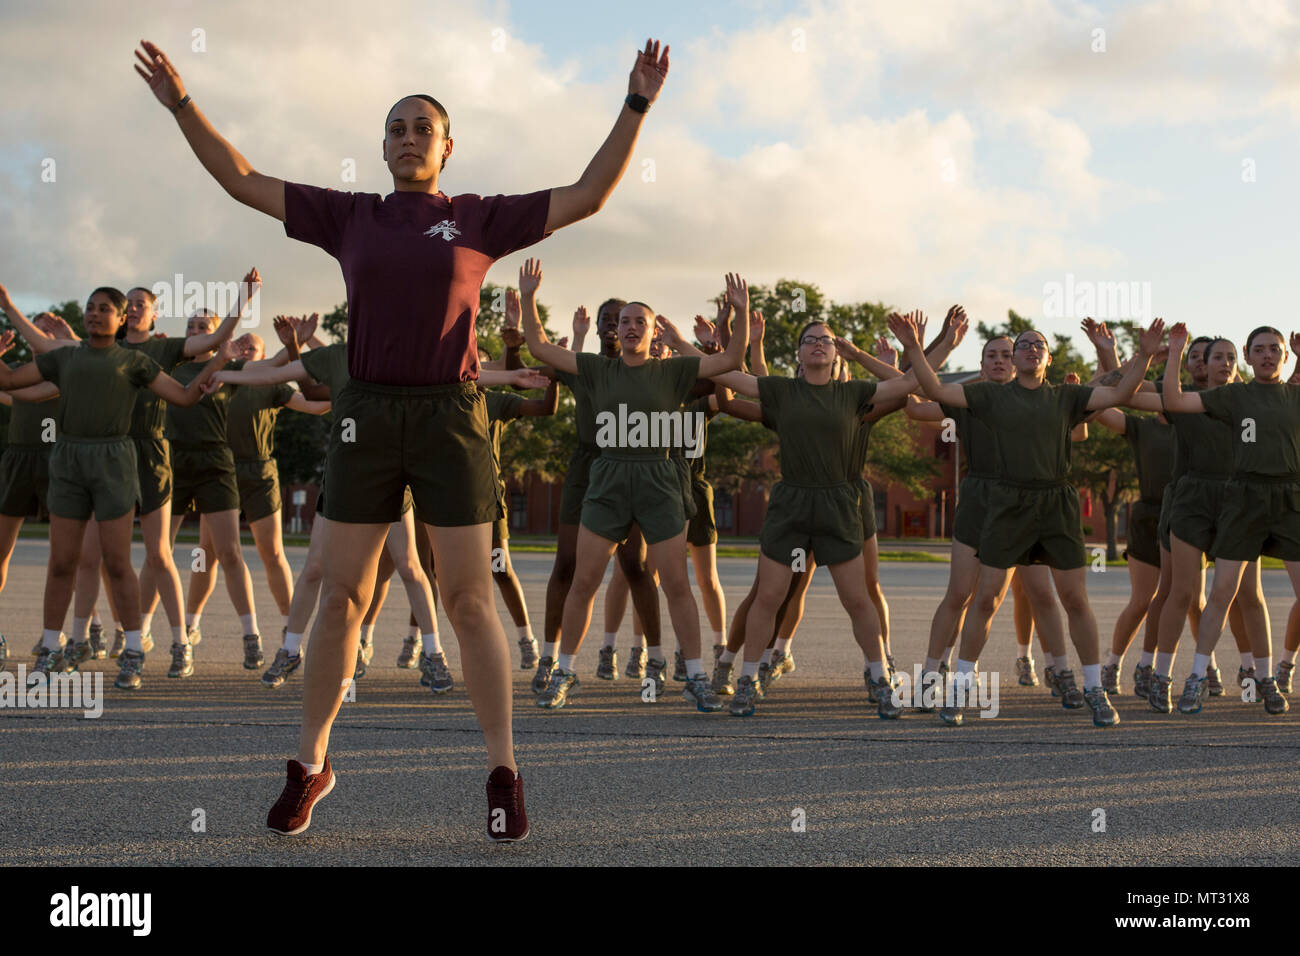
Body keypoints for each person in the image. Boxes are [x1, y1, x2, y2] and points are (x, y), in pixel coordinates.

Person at [135, 34, 670, 839]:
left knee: (465, 598)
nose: (408, 137)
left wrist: (635, 104)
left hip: (452, 417)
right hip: (367, 414)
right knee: (342, 595)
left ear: (447, 146)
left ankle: (503, 770)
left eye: (422, 127)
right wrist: (182, 102)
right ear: (381, 148)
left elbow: (589, 194)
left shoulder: (479, 219)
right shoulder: (349, 215)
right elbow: (240, 179)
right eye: (395, 128)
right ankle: (312, 764)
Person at [901, 315, 1165, 727]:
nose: (1028, 348)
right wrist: (915, 346)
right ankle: (957, 688)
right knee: (986, 597)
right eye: (1021, 344)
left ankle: (1092, 686)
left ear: (1048, 358)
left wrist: (1145, 354)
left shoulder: (1066, 397)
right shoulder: (988, 397)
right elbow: (930, 391)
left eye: (1035, 344)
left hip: (1056, 503)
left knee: (1073, 599)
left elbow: (1122, 391)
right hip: (1007, 503)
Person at [710, 311, 964, 717]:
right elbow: (726, 374)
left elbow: (910, 384)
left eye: (826, 340)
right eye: (810, 339)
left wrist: (941, 343)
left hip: (839, 504)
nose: (818, 343)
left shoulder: (853, 394)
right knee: (770, 596)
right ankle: (747, 678)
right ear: (798, 352)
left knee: (857, 598)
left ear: (835, 353)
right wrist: (726, 332)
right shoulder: (781, 390)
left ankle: (880, 678)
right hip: (791, 502)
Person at [524, 262, 748, 712]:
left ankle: (697, 676)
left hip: (659, 478)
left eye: (639, 322)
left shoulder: (674, 371)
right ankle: (566, 671)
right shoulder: (598, 369)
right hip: (608, 478)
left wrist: (739, 314)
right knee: (584, 580)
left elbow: (728, 362)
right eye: (624, 321)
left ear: (652, 332)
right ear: (617, 332)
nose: (629, 327)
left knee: (677, 585)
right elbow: (540, 347)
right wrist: (529, 298)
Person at [0, 286, 229, 686]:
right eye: (90, 307)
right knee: (62, 562)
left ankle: (135, 651)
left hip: (114, 463)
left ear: (121, 319)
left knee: (119, 562)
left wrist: (213, 372)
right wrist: (6, 305)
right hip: (69, 460)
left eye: (104, 308)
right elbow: (14, 381)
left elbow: (183, 396)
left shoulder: (135, 361)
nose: (94, 313)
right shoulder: (65, 358)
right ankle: (51, 648)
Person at [1161, 323, 1297, 715]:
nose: (1268, 354)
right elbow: (1174, 400)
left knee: (1257, 598)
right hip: (1245, 498)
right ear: (1249, 357)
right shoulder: (1234, 396)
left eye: (1275, 348)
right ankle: (1196, 678)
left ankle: (1267, 679)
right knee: (1222, 593)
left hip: (1290, 497)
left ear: (1284, 356)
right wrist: (1174, 352)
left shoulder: (1294, 396)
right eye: (1259, 349)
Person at [183, 324, 330, 671]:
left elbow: (313, 406)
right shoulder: (216, 379)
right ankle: (190, 624)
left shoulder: (270, 385)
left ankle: (288, 631)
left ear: (263, 359)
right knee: (205, 552)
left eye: (254, 346)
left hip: (259, 473)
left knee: (273, 553)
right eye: (242, 344)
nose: (246, 347)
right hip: (219, 470)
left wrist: (342, 395)